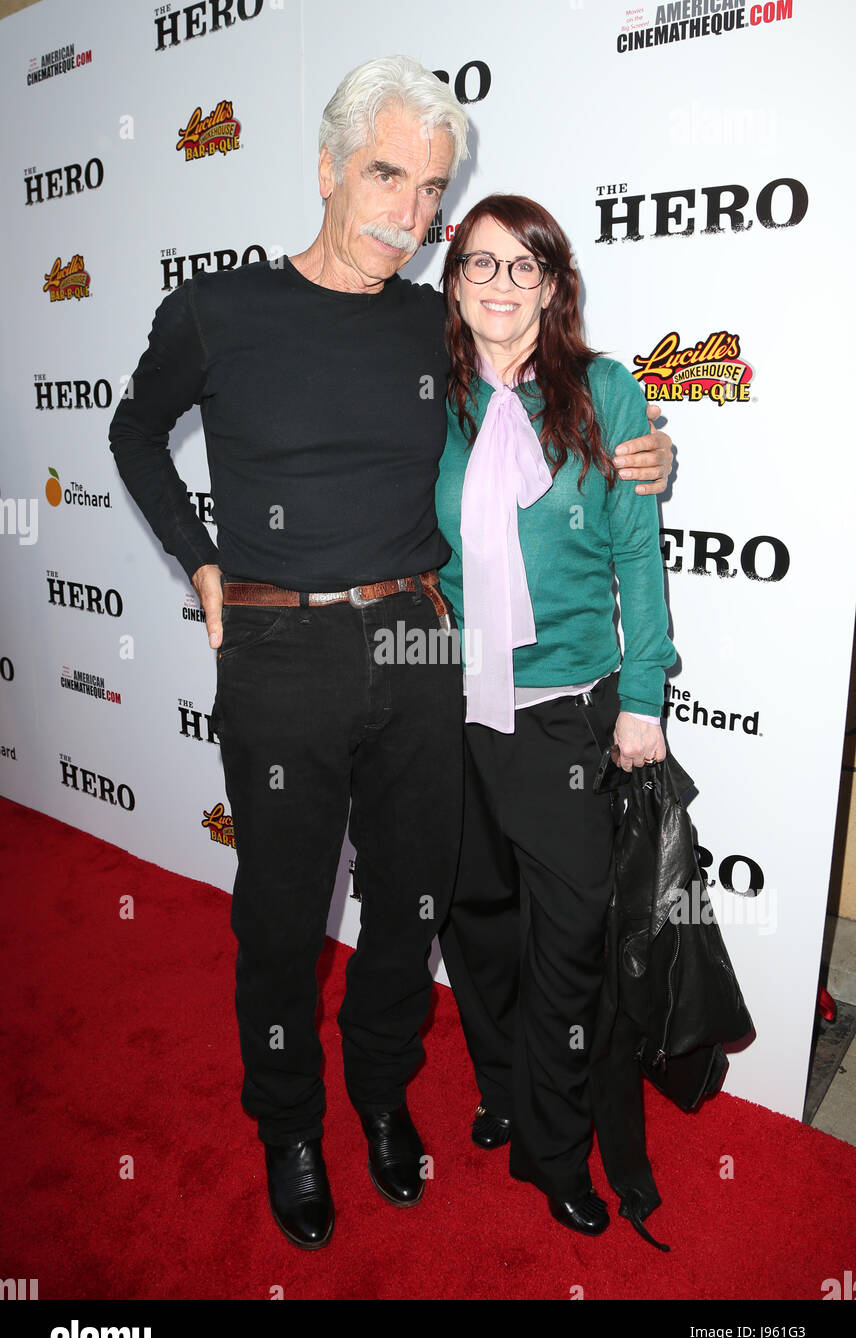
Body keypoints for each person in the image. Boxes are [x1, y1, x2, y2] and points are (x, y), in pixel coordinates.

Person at [108, 57, 673, 1251]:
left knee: (409, 909)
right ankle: (289, 1124)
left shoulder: (438, 319)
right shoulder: (217, 311)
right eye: (384, 175)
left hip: (421, 642)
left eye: (429, 191)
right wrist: (197, 556)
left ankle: (378, 1094)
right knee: (276, 916)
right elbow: (134, 426)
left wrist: (646, 449)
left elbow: (550, 398)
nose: (407, 213)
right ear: (324, 169)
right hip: (277, 647)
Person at [435, 193, 676, 1237]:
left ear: (552, 282)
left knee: (570, 935)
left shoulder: (604, 392)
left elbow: (637, 551)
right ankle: (501, 1085)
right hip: (438, 704)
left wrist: (644, 697)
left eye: (519, 267)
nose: (498, 285)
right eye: (478, 265)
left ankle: (553, 1145)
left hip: (562, 705)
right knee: (477, 921)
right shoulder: (422, 396)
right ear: (451, 283)